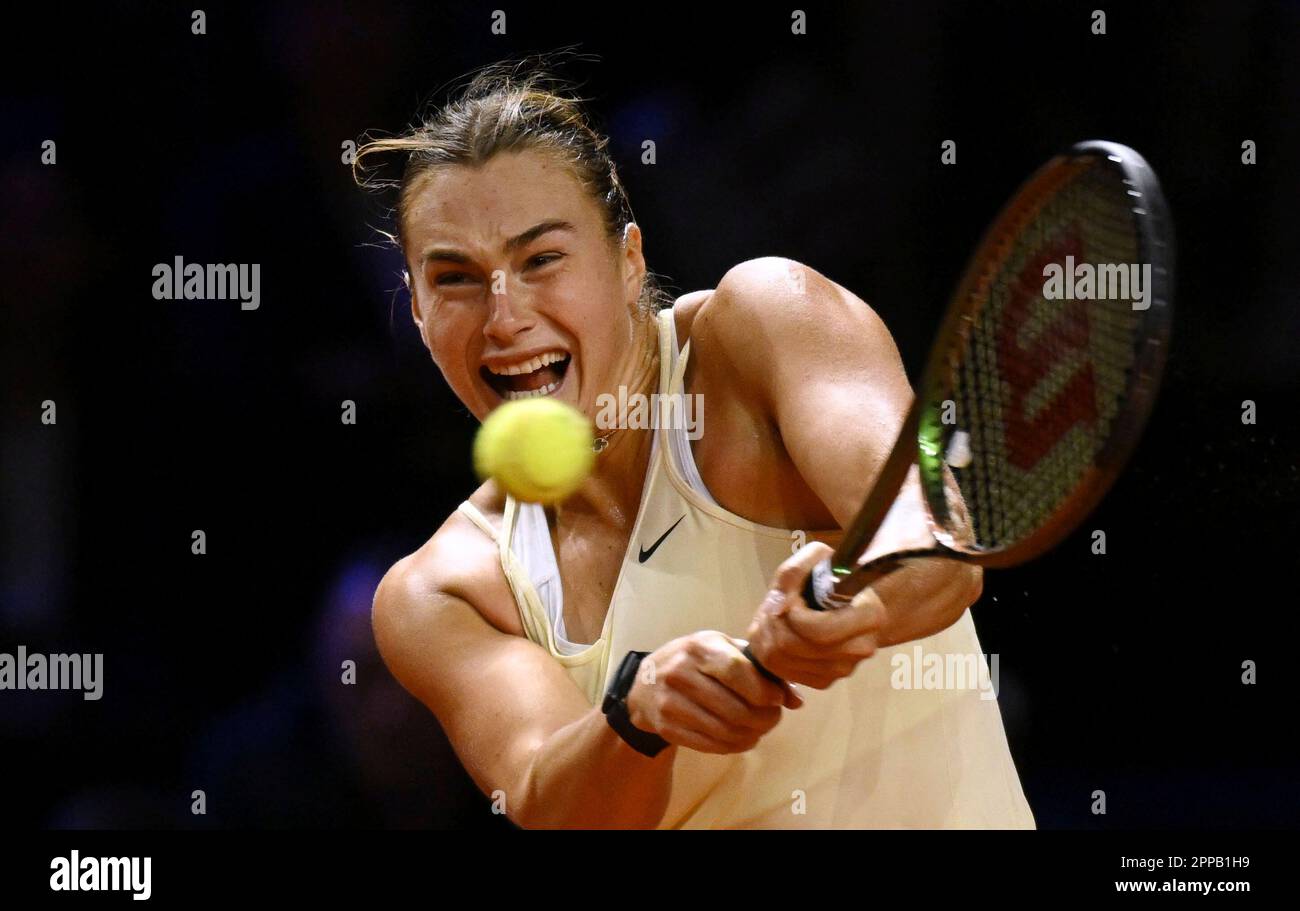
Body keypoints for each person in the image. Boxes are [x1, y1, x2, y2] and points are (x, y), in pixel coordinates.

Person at [356, 59, 1034, 829]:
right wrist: (639, 714)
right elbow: (556, 804)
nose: (503, 316)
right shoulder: (443, 593)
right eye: (455, 279)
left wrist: (852, 610)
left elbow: (936, 547)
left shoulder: (766, 326)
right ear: (415, 310)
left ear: (627, 260)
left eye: (542, 259)